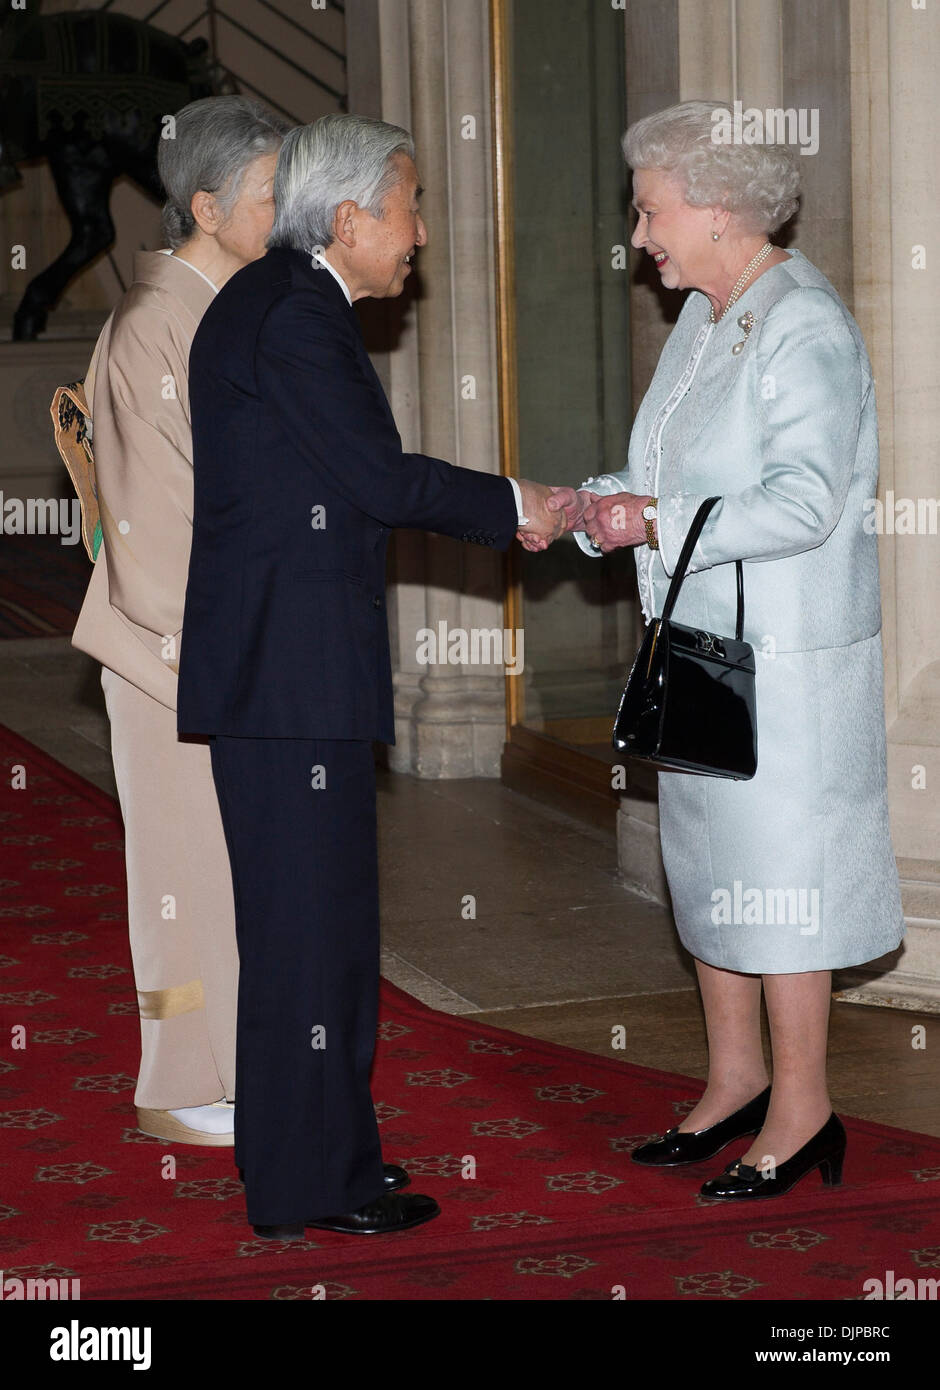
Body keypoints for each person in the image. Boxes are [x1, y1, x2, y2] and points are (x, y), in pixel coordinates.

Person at [177, 113, 573, 1236]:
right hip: (287, 686)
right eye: (407, 208)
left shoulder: (284, 302)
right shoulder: (296, 311)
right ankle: (311, 1185)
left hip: (286, 680)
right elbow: (380, 481)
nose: (422, 233)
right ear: (348, 218)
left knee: (324, 935)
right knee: (310, 942)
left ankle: (329, 1158)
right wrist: (519, 502)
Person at [539, 100, 905, 1200]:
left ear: (717, 208)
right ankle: (735, 1077)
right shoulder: (708, 317)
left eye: (651, 210)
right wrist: (583, 504)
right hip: (702, 650)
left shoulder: (804, 324)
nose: (641, 235)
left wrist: (648, 520)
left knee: (782, 886)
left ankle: (803, 1109)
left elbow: (799, 501)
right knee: (709, 868)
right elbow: (671, 474)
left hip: (786, 663)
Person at [68, 96, 291, 1145]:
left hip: (209, 641)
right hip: (172, 650)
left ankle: (229, 1070)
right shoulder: (160, 322)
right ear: (206, 207)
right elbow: (157, 532)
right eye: (267, 194)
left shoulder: (213, 309)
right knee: (183, 872)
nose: (287, 210)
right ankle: (178, 1082)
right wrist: (229, 658)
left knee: (217, 870)